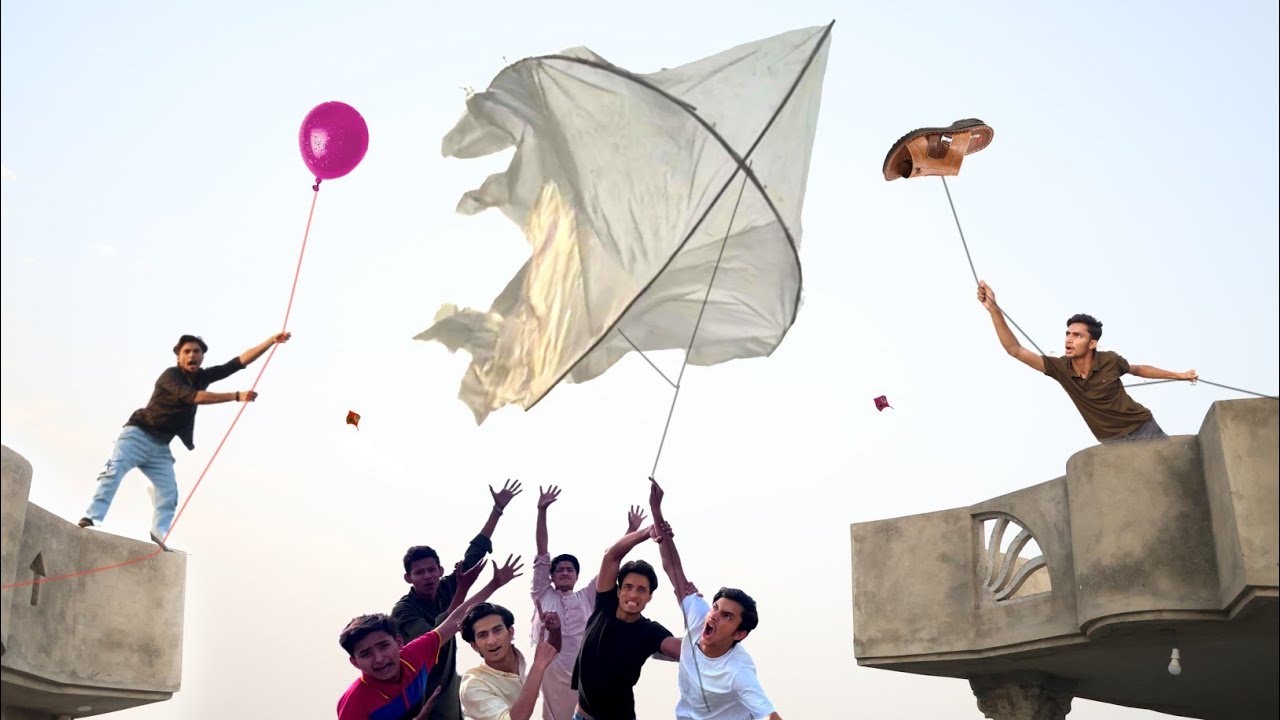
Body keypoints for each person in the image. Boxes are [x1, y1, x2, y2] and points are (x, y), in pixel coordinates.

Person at [78, 331, 291, 549]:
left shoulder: (202, 377)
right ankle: (92, 518)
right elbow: (194, 397)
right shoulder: (170, 376)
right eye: (187, 352)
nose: (192, 355)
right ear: (179, 357)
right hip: (136, 436)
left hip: (161, 446)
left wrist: (271, 342)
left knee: (169, 493)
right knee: (113, 472)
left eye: (196, 352)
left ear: (202, 357)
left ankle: (159, 533)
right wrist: (236, 396)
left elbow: (237, 363)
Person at [977, 281, 1197, 443]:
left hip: (1143, 428)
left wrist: (1180, 375)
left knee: (1179, 474)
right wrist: (994, 310)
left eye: (1077, 336)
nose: (1069, 339)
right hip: (1112, 442)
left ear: (1092, 344)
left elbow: (1138, 369)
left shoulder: (1110, 360)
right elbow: (1015, 350)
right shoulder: (1060, 368)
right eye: (1068, 334)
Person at [647, 478, 781, 720]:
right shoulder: (699, 617)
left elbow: (769, 715)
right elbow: (673, 569)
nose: (715, 616)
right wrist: (656, 512)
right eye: (716, 608)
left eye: (727, 616)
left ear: (739, 634)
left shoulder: (738, 671)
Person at [392, 479, 523, 720]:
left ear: (440, 570)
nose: (428, 576)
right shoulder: (403, 612)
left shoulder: (445, 589)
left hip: (450, 691)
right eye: (419, 572)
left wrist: (497, 510)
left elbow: (473, 555)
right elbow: (435, 639)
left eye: (431, 570)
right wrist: (467, 589)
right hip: (421, 697)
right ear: (408, 578)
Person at [338, 555, 524, 720]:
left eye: (383, 646)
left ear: (399, 642)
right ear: (354, 662)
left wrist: (494, 584)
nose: (379, 658)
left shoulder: (415, 655)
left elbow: (454, 620)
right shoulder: (355, 702)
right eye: (366, 654)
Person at [529, 485, 649, 720]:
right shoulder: (543, 593)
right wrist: (541, 511)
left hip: (582, 670)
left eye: (570, 570)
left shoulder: (586, 596)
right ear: (551, 576)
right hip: (551, 668)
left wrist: (632, 531)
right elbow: (542, 551)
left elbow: (611, 560)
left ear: (576, 575)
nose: (564, 573)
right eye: (560, 570)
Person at [570, 519, 679, 720]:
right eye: (628, 587)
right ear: (619, 591)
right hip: (580, 716)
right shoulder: (605, 605)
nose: (633, 594)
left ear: (649, 596)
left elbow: (684, 650)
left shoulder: (649, 631)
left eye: (641, 590)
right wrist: (647, 531)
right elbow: (611, 556)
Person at [458, 602, 561, 720]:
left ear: (510, 632)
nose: (492, 641)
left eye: (497, 630)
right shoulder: (473, 685)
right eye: (483, 635)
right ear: (474, 646)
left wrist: (555, 631)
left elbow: (551, 653)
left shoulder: (527, 655)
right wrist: (537, 667)